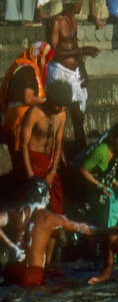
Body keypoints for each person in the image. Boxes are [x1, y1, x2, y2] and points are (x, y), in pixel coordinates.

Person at [4, 178, 98, 288]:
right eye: (48, 194)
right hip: (32, 272)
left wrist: (10, 245)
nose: (49, 197)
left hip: (12, 270)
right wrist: (105, 231)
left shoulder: (15, 213)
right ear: (43, 196)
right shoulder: (49, 217)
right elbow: (80, 228)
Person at [45, 0, 97, 143]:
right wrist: (81, 52)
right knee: (59, 112)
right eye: (79, 4)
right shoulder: (56, 22)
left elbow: (75, 46)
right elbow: (52, 53)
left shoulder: (73, 21)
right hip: (59, 70)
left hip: (75, 73)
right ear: (73, 5)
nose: (81, 7)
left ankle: (81, 149)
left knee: (78, 114)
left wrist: (83, 70)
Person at [17, 81, 70, 214]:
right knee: (31, 204)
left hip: (49, 162)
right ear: (51, 100)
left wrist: (52, 173)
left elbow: (58, 145)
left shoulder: (62, 114)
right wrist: (30, 175)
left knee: (55, 204)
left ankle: (55, 233)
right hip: (32, 161)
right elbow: (23, 145)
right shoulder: (35, 112)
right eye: (59, 106)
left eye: (64, 106)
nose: (61, 109)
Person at [78, 122, 118, 229]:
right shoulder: (101, 151)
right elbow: (83, 170)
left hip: (104, 185)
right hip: (89, 186)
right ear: (113, 138)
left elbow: (109, 173)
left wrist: (116, 183)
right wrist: (100, 186)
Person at [0, 40, 52, 154]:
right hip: (20, 118)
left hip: (18, 116)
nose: (45, 64)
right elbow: (27, 98)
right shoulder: (26, 70)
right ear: (38, 56)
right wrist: (48, 100)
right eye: (45, 59)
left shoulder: (24, 67)